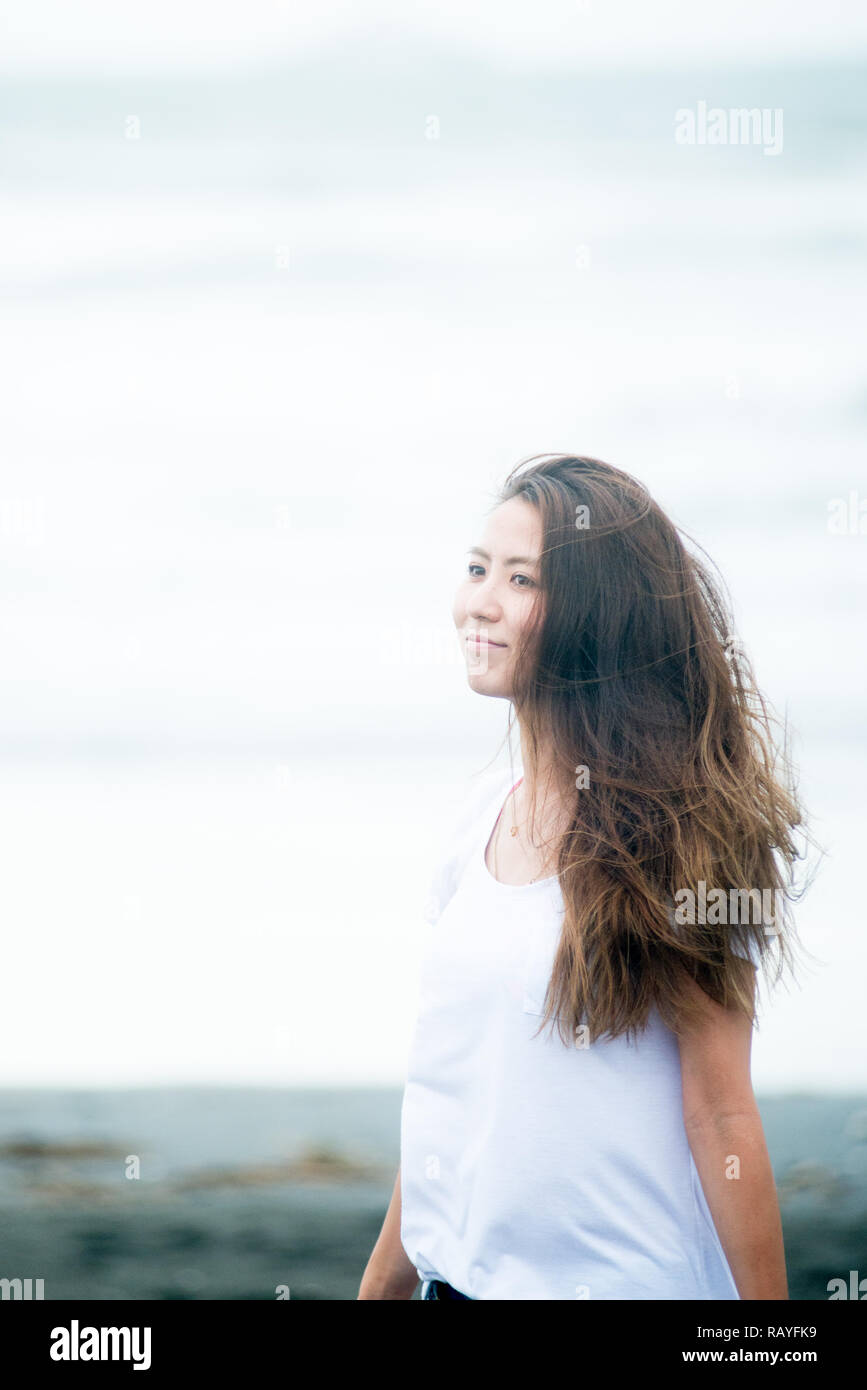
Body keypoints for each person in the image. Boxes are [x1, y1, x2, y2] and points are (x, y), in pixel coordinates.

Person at [358, 454, 813, 1301]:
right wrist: (382, 1287)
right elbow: (454, 1109)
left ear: (595, 616)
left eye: (521, 579)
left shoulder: (679, 841)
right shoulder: (477, 824)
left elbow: (720, 1115)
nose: (479, 602)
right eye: (475, 569)